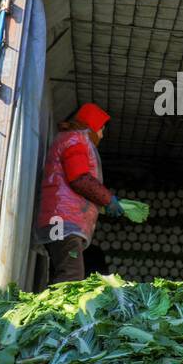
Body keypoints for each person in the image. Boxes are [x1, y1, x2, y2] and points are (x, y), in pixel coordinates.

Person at [35, 103, 137, 283]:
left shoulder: (70, 139)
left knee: (62, 271)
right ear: (92, 125)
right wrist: (108, 200)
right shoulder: (75, 141)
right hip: (62, 221)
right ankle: (61, 312)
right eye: (101, 129)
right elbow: (79, 178)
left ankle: (54, 310)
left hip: (58, 221)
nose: (102, 135)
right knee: (71, 276)